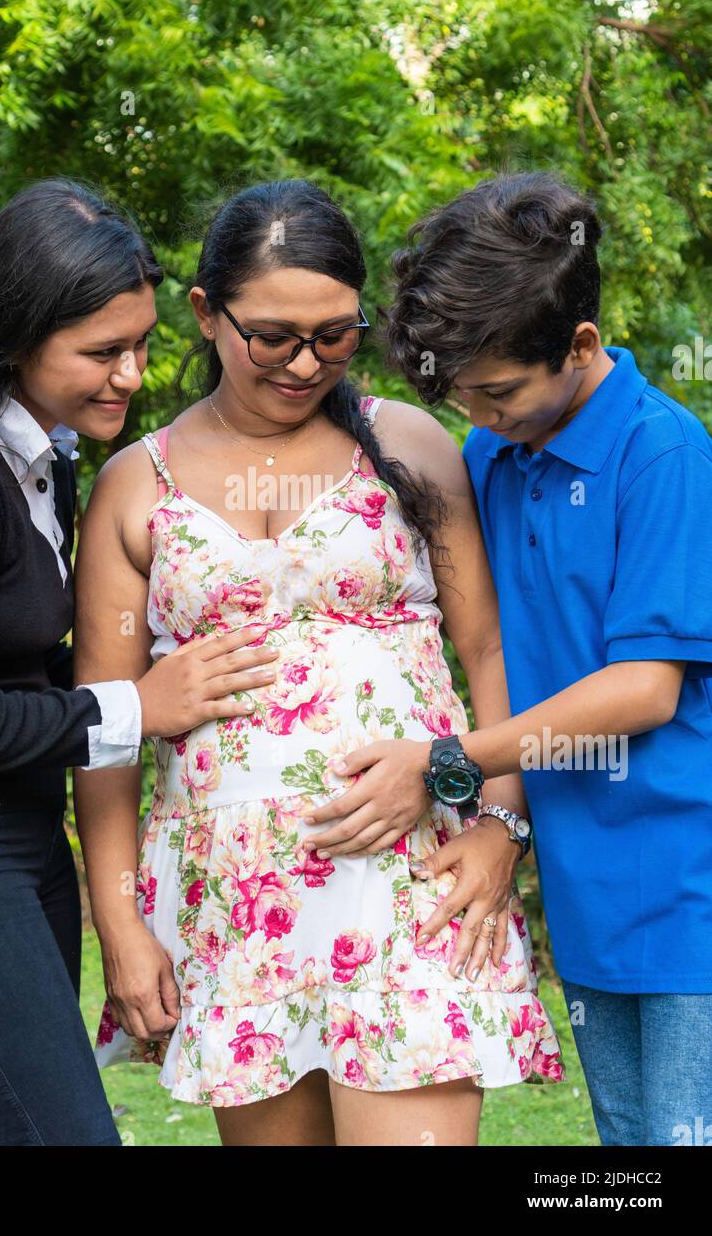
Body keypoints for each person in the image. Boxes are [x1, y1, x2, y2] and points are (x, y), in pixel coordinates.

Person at [75, 178, 563, 1148]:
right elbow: (104, 730)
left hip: (406, 876)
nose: (305, 363)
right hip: (230, 891)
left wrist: (503, 822)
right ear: (208, 314)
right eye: (273, 336)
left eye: (334, 335)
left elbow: (488, 649)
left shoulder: (410, 443)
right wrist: (120, 923)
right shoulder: (135, 483)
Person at [0, 176, 276, 1146]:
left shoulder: (39, 457)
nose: (129, 373)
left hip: (10, 840)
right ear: (15, 336)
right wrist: (135, 704)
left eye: (138, 343)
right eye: (100, 352)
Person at [305, 170, 712, 1147]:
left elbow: (642, 687)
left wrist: (446, 762)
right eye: (456, 395)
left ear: (578, 345)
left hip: (688, 880)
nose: (475, 417)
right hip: (583, 891)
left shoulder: (662, 452)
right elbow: (491, 652)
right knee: (628, 1143)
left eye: (495, 391)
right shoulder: (492, 458)